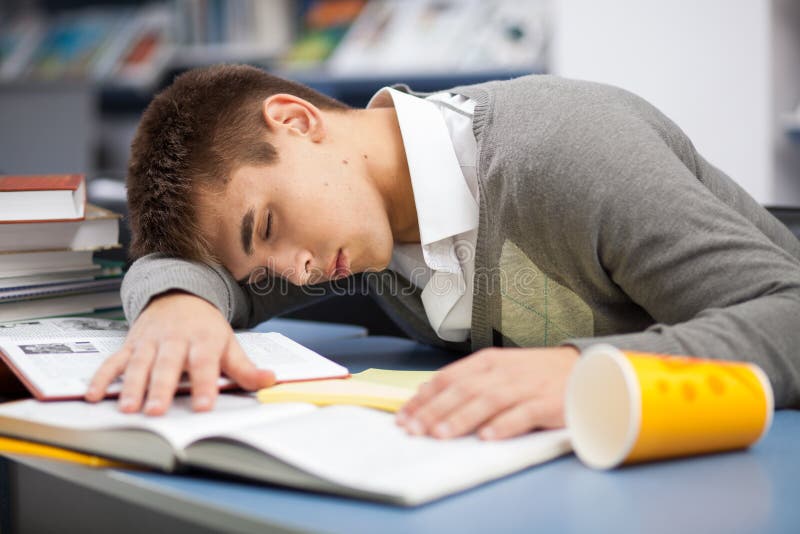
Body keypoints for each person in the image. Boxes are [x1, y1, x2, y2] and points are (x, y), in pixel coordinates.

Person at [86, 64, 800, 441]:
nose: (292, 272)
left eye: (267, 227)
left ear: (297, 121)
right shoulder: (348, 233)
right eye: (262, 268)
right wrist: (176, 304)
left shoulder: (566, 152)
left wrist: (582, 373)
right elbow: (200, 273)